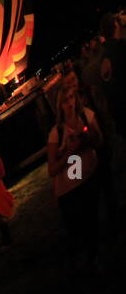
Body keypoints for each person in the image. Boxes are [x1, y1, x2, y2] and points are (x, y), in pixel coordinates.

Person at [48, 77, 104, 269]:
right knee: (78, 230)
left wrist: (89, 138)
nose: (70, 102)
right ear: (60, 105)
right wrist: (69, 152)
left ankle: (94, 259)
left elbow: (100, 142)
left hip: (88, 176)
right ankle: (83, 262)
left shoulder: (87, 116)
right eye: (65, 100)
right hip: (70, 189)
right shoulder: (57, 132)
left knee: (93, 221)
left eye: (71, 97)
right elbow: (52, 169)